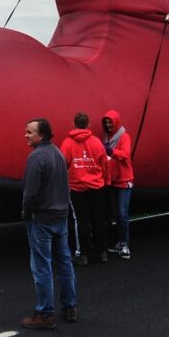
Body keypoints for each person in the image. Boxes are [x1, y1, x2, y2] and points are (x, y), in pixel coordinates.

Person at [21, 118, 78, 330]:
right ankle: (70, 307)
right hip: (60, 217)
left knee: (42, 266)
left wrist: (27, 214)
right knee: (64, 263)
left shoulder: (36, 157)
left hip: (42, 219)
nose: (25, 135)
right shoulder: (58, 153)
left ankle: (45, 313)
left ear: (41, 135)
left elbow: (30, 193)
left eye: (29, 132)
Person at [61, 112, 110, 265]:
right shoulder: (96, 142)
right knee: (98, 219)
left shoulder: (67, 143)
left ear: (73, 124)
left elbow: (64, 165)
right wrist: (106, 181)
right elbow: (105, 164)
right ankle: (101, 252)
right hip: (97, 186)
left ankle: (83, 254)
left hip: (77, 188)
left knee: (80, 221)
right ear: (88, 124)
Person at [102, 109, 134, 260]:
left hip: (124, 180)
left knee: (122, 214)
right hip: (112, 181)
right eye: (106, 122)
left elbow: (124, 154)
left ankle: (125, 244)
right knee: (115, 213)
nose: (108, 125)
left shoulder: (124, 137)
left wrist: (110, 151)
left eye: (110, 122)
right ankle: (120, 242)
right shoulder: (107, 137)